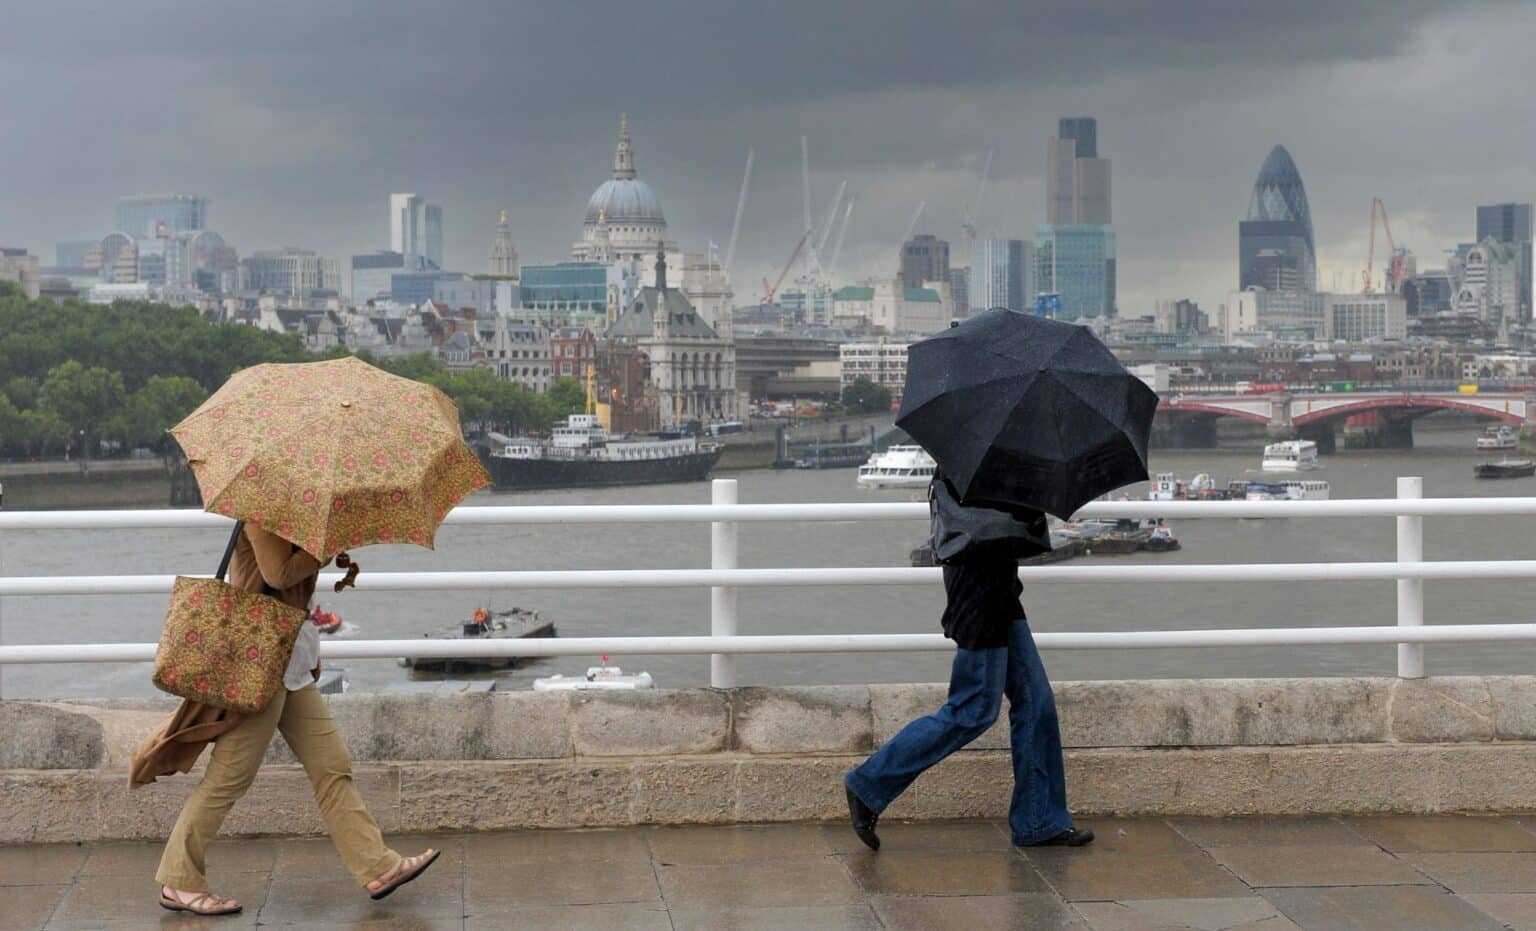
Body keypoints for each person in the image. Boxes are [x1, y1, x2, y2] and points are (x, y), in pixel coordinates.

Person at [134, 523, 439, 916]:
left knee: (332, 766)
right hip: (259, 666)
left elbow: (291, 588)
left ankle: (378, 866)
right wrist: (324, 549)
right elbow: (278, 573)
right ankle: (179, 880)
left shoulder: (295, 513)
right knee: (229, 777)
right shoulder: (264, 511)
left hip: (287, 661)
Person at [844, 476, 1093, 851]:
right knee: (973, 708)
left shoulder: (998, 454)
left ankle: (1039, 819)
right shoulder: (978, 463)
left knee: (1036, 701)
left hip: (1000, 590)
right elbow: (985, 530)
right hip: (979, 593)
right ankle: (869, 783)